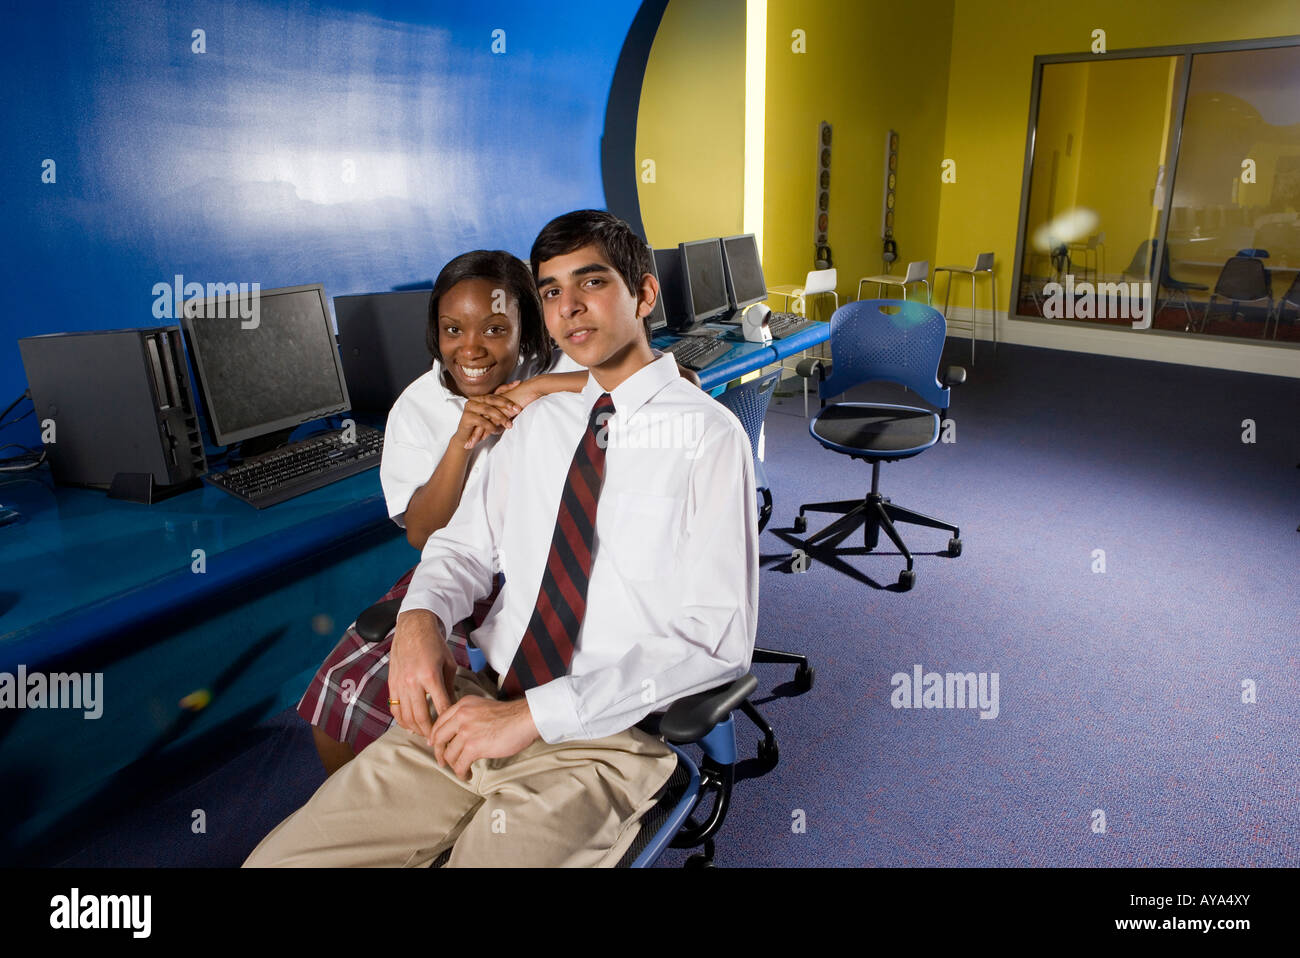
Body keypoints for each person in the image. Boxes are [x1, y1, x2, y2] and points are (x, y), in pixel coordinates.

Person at [246, 210, 756, 867]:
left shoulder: (708, 439)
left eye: (591, 283)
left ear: (645, 295)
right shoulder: (536, 421)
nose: (568, 307)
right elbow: (459, 547)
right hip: (472, 708)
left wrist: (533, 718)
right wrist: (422, 618)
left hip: (601, 739)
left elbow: (716, 642)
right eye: (550, 292)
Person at [298, 249, 587, 773]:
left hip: (551, 565)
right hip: (457, 568)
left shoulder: (559, 367)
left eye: (495, 329)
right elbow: (423, 534)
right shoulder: (417, 405)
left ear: (527, 329)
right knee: (340, 699)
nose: (470, 348)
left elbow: (675, 380)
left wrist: (539, 390)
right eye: (453, 330)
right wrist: (462, 440)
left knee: (469, 720)